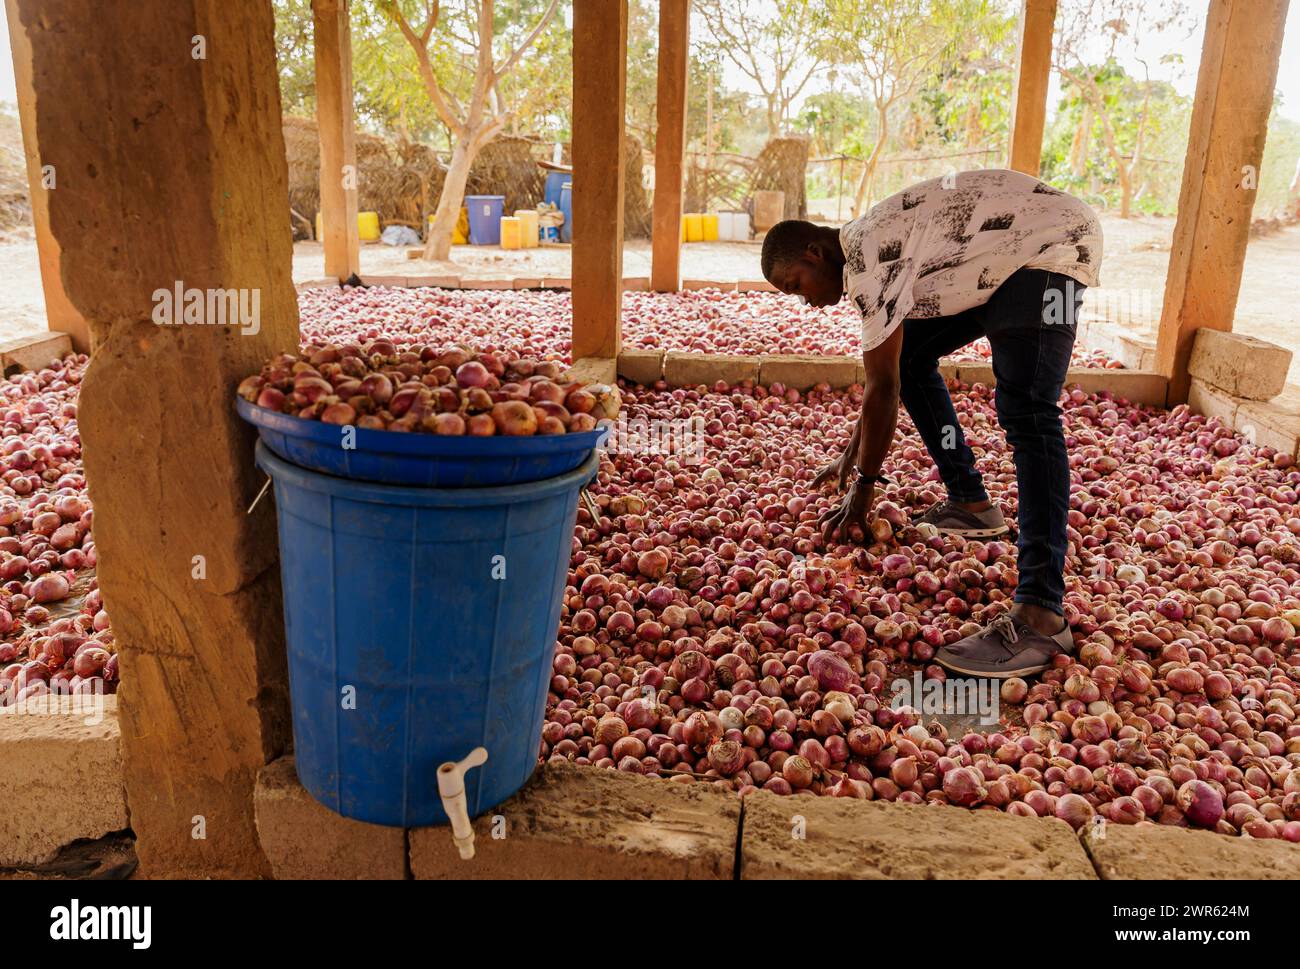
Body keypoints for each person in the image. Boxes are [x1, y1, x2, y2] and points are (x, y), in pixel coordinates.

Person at [760, 168, 1102, 678]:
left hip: (1048, 246)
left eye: (797, 286)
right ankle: (970, 501)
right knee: (911, 359)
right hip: (1003, 260)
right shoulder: (868, 251)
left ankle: (1041, 610)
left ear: (814, 252)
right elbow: (889, 375)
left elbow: (882, 389)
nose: (807, 302)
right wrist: (853, 450)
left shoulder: (870, 258)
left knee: (1029, 411)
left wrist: (865, 485)